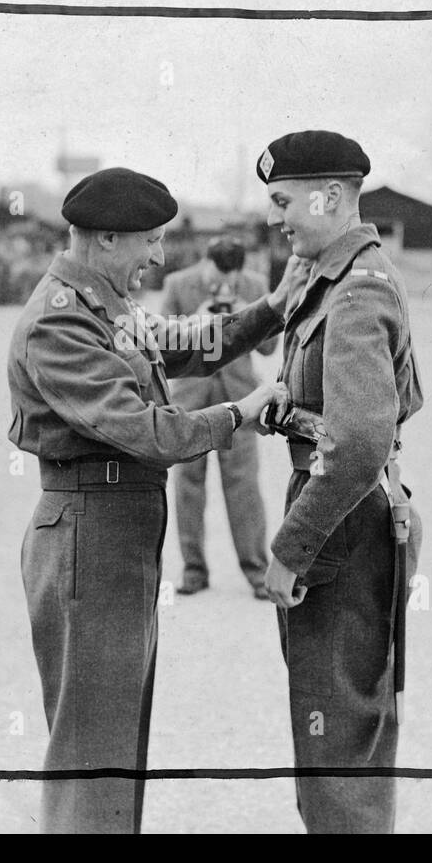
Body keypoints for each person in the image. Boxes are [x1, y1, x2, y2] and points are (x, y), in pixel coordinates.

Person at [6, 166, 298, 834]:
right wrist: (240, 412)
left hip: (114, 534)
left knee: (113, 741)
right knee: (92, 750)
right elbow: (146, 431)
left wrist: (276, 307)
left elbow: (190, 343)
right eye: (151, 241)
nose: (162, 257)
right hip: (90, 536)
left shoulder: (105, 307)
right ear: (106, 239)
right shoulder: (61, 323)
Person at [258, 130, 424, 834]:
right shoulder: (341, 278)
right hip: (350, 512)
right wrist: (292, 407)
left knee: (339, 743)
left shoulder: (355, 291)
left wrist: (290, 549)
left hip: (341, 522)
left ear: (330, 196)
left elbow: (360, 442)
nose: (276, 218)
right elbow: (385, 403)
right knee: (335, 729)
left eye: (284, 201)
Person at [161, 235, 278, 598]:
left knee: (244, 488)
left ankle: (257, 572)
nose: (225, 284)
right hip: (191, 401)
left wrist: (249, 317)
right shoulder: (177, 284)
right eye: (218, 276)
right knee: (187, 487)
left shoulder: (256, 286)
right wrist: (196, 322)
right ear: (204, 261)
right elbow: (159, 346)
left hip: (239, 400)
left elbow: (271, 346)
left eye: (232, 277)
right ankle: (194, 570)